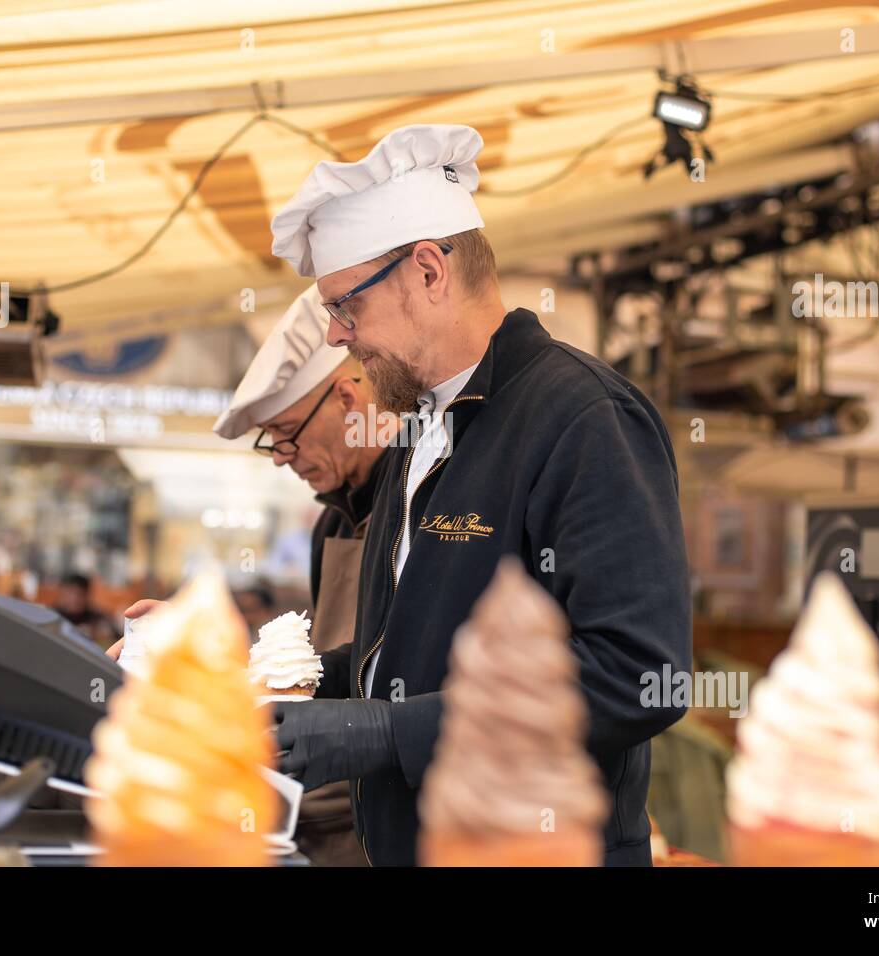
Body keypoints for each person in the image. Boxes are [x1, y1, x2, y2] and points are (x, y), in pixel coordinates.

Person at [264, 124, 693, 866]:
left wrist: (389, 734)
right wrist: (271, 678)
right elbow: (409, 655)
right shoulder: (418, 432)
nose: (336, 337)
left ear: (429, 270)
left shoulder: (584, 418)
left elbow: (637, 679)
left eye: (346, 307)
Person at [109, 285, 395, 865]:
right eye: (273, 442)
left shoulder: (419, 505)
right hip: (309, 809)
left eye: (287, 433)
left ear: (347, 398)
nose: (282, 455)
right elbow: (312, 671)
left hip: (376, 821)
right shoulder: (332, 525)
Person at [52, 573, 118, 650]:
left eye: (79, 594)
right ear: (61, 593)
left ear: (87, 595)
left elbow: (116, 640)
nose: (74, 599)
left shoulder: (98, 619)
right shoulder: (51, 617)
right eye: (70, 592)